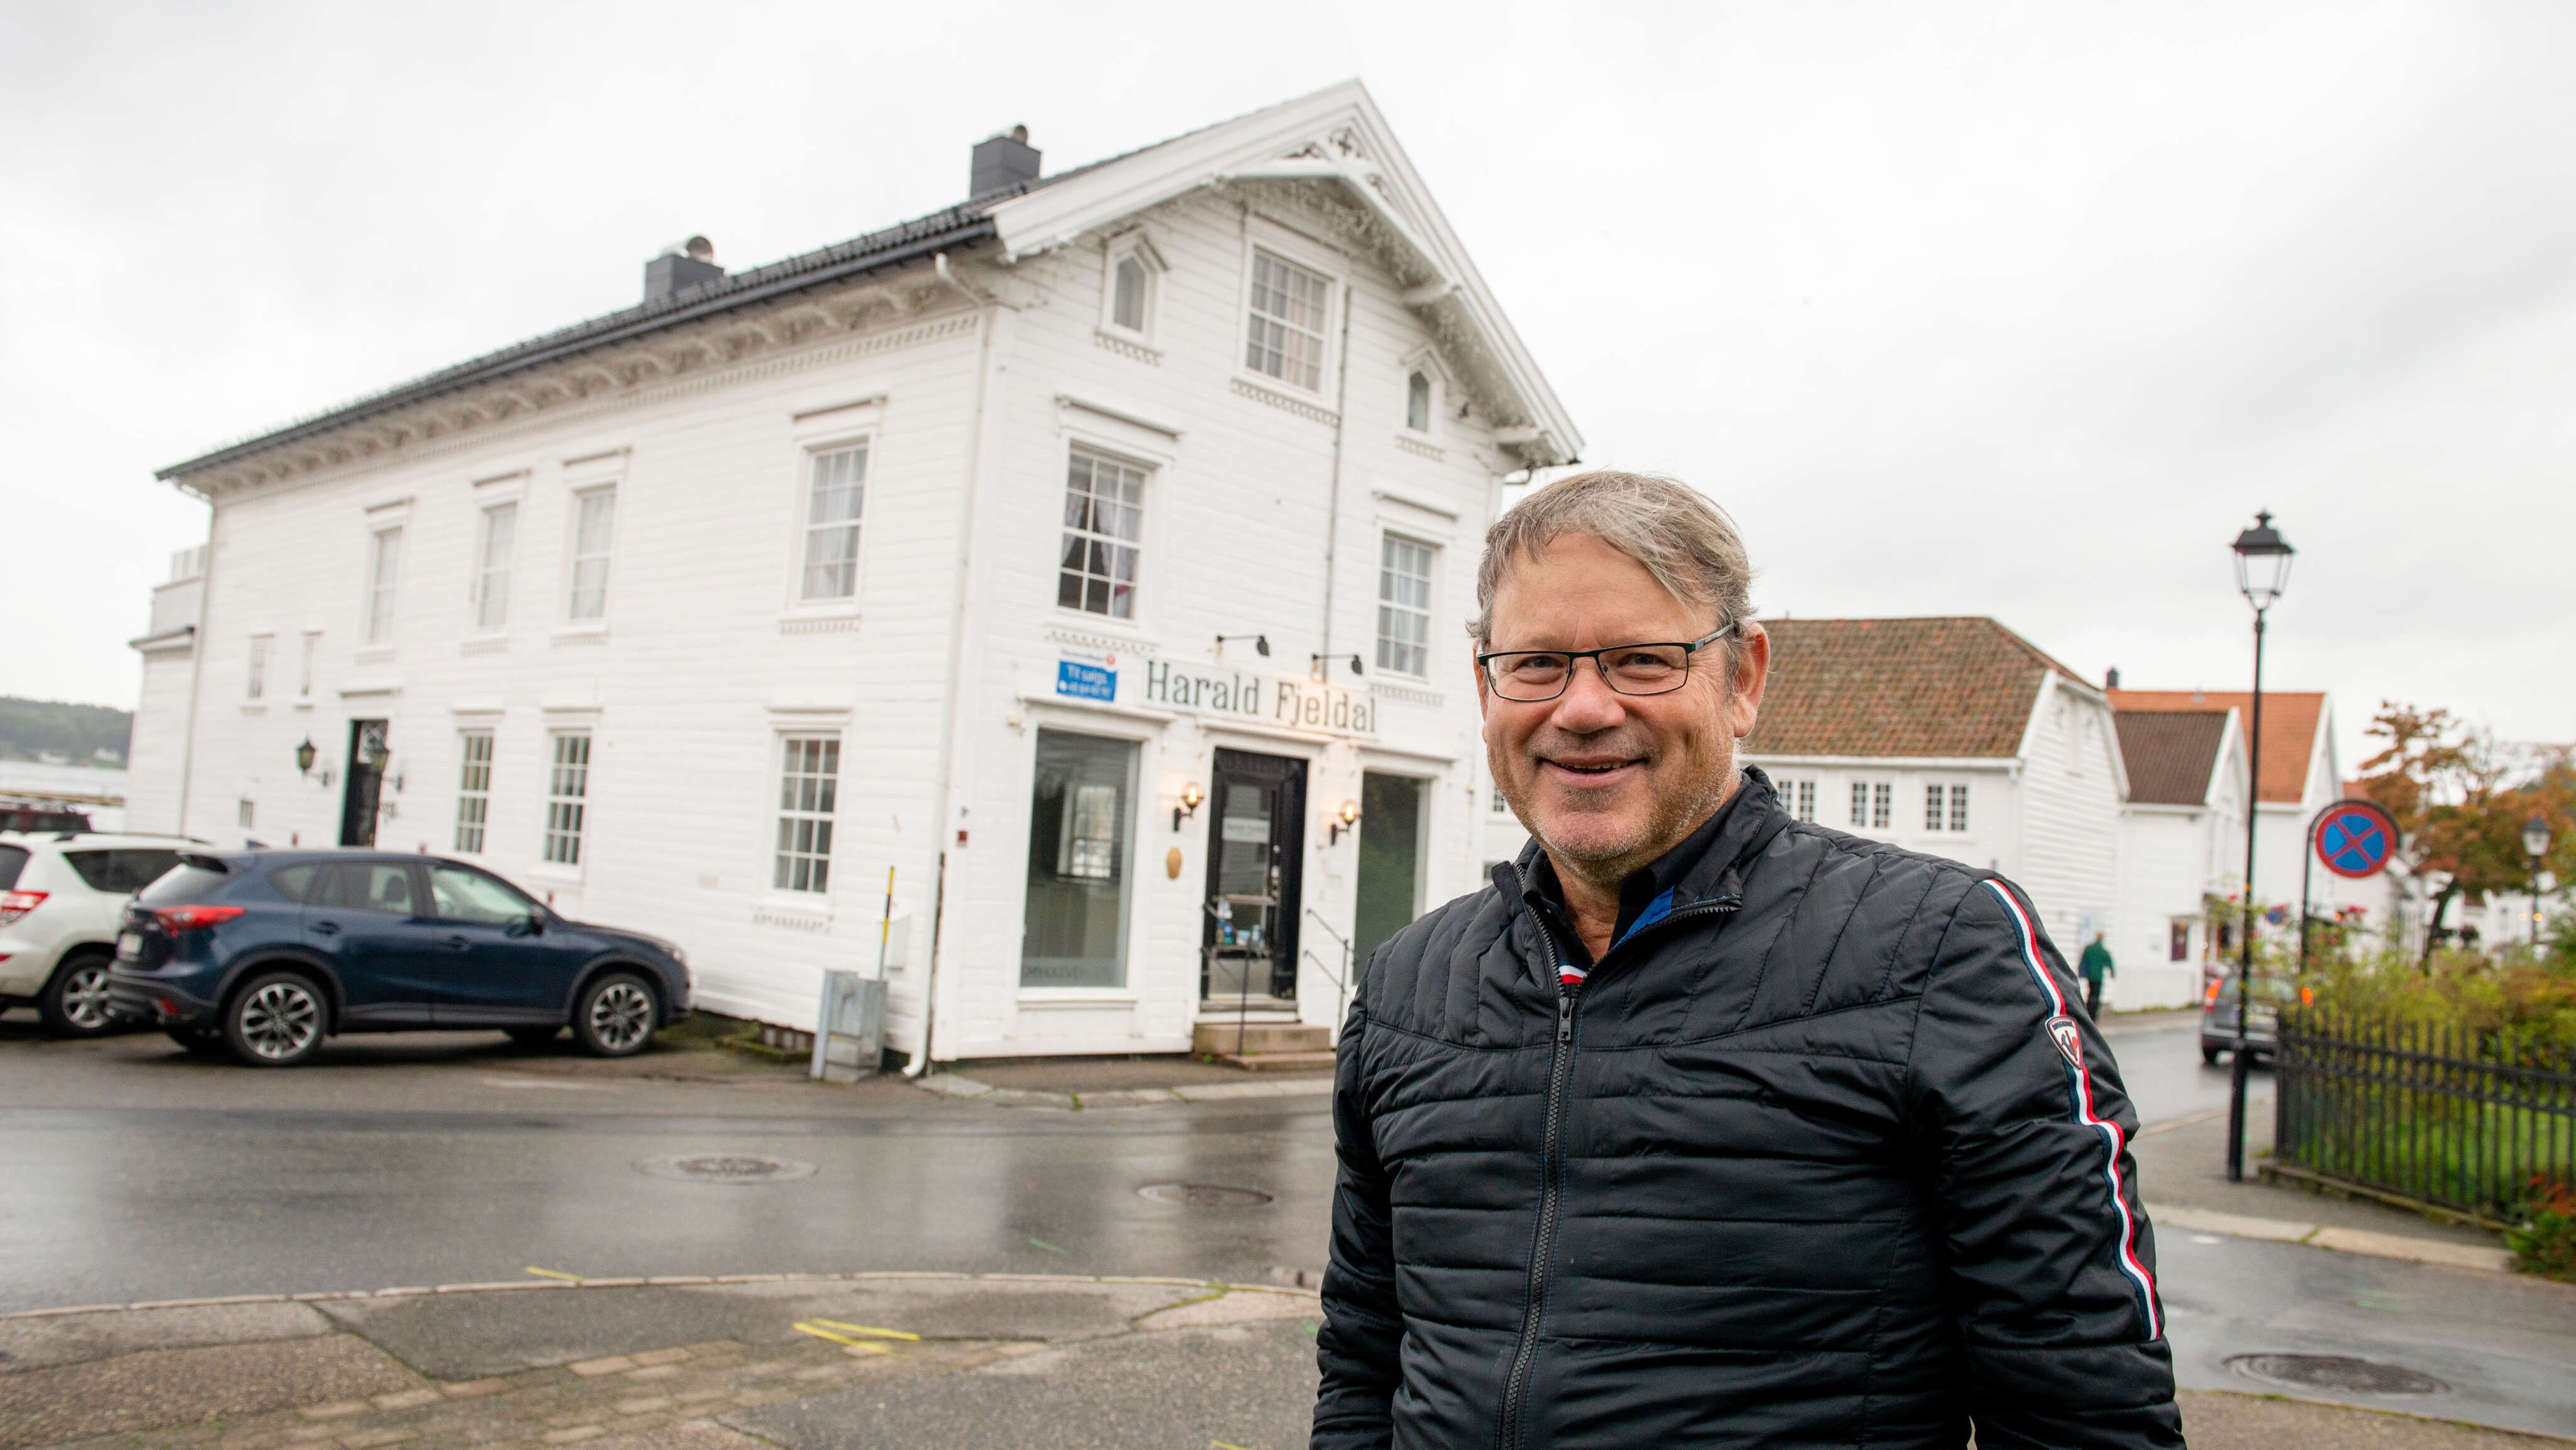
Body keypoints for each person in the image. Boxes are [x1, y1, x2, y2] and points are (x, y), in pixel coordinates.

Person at [1313, 472, 2180, 1449]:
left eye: (1644, 659)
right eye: (1538, 663)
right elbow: (1363, 1357)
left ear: (1744, 680)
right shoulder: (1406, 985)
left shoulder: (1944, 951)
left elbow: (2086, 1408)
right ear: (1486, 687)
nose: (1584, 708)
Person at [2080, 931, 2116, 1018]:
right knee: (2096, 996)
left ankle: (2088, 1013)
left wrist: (2081, 973)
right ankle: (2093, 1015)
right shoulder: (2103, 951)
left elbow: (2084, 961)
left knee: (2090, 994)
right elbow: (2110, 962)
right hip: (2098, 977)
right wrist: (2112, 973)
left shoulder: (2090, 949)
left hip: (2090, 976)